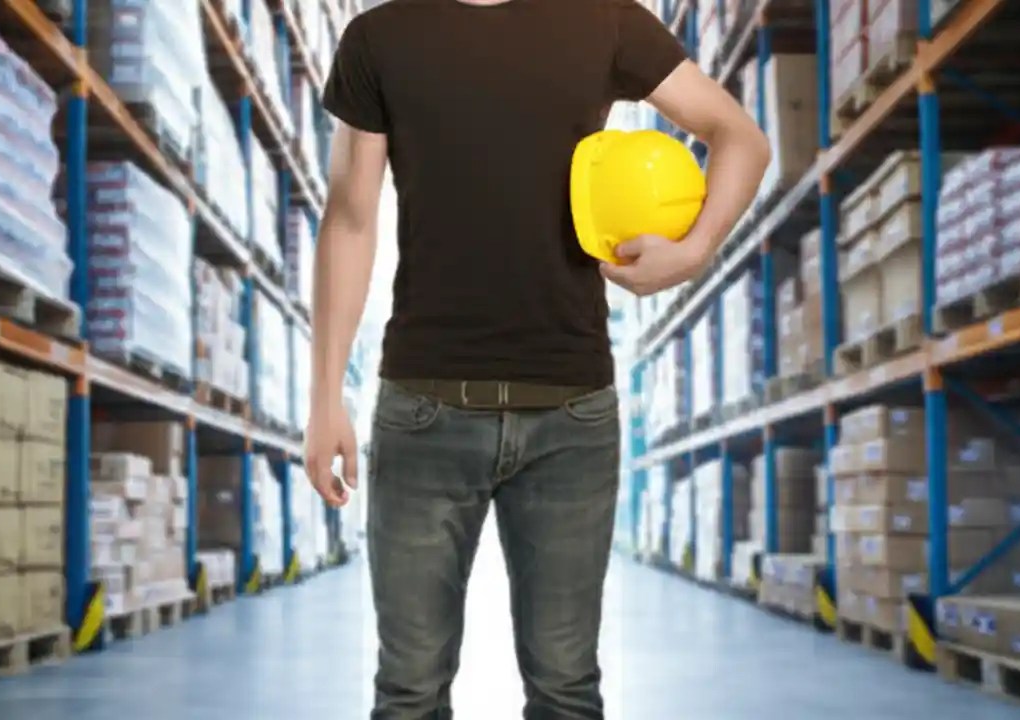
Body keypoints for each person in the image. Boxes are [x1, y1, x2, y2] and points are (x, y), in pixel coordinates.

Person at [303, 0, 769, 716]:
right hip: (424, 407)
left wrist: (692, 253)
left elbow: (740, 137)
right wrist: (324, 398)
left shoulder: (605, 20)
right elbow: (350, 217)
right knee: (409, 690)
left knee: (565, 687)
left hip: (571, 415)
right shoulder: (379, 37)